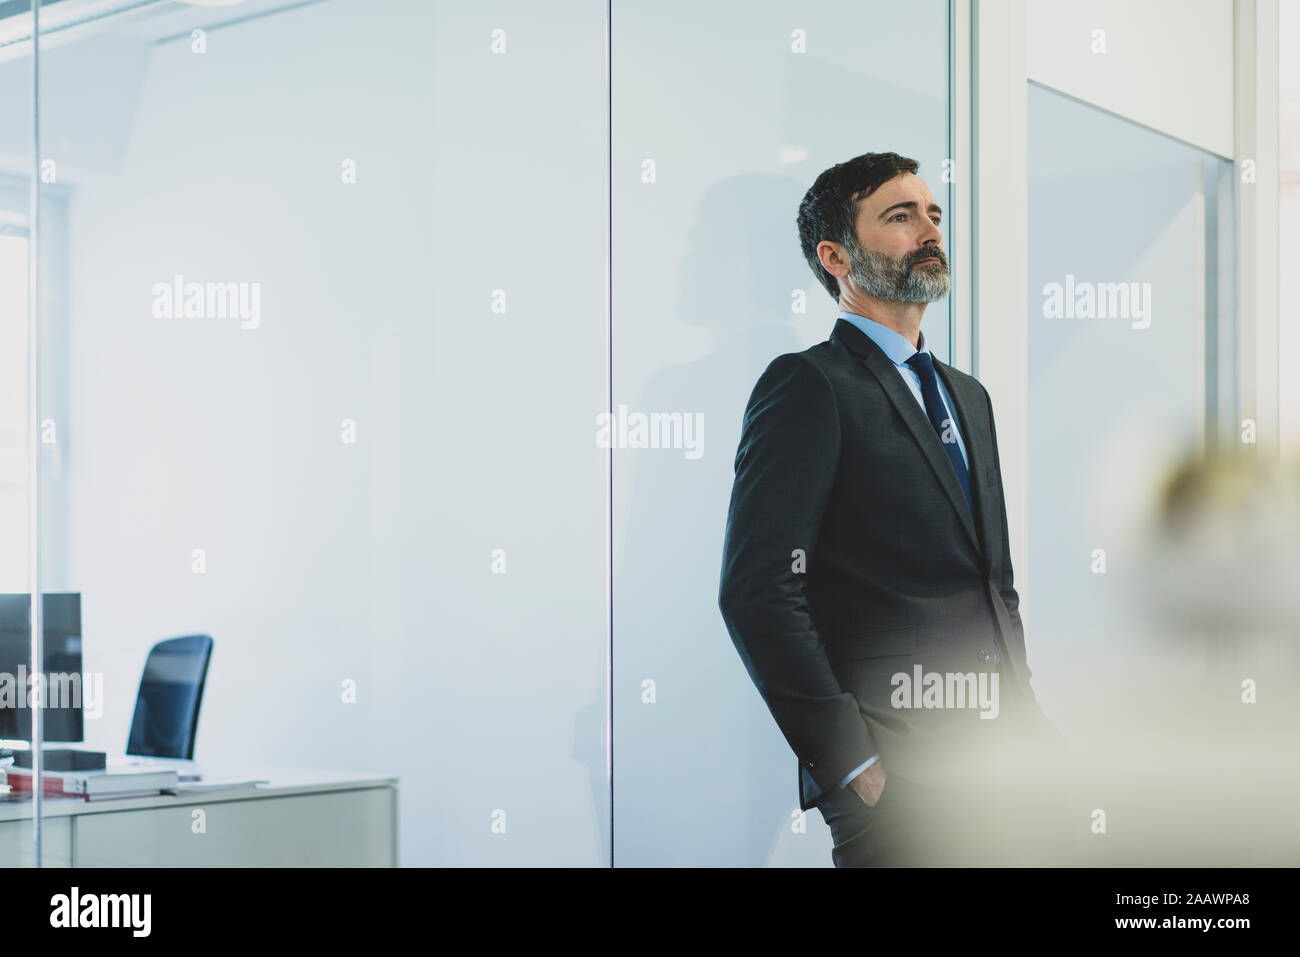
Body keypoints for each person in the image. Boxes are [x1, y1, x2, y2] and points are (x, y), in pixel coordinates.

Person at [718, 152, 1064, 866]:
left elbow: (992, 586)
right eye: (900, 217)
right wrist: (851, 765)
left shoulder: (970, 397)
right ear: (835, 254)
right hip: (900, 787)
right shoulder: (808, 385)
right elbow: (757, 589)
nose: (929, 229)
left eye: (933, 214)